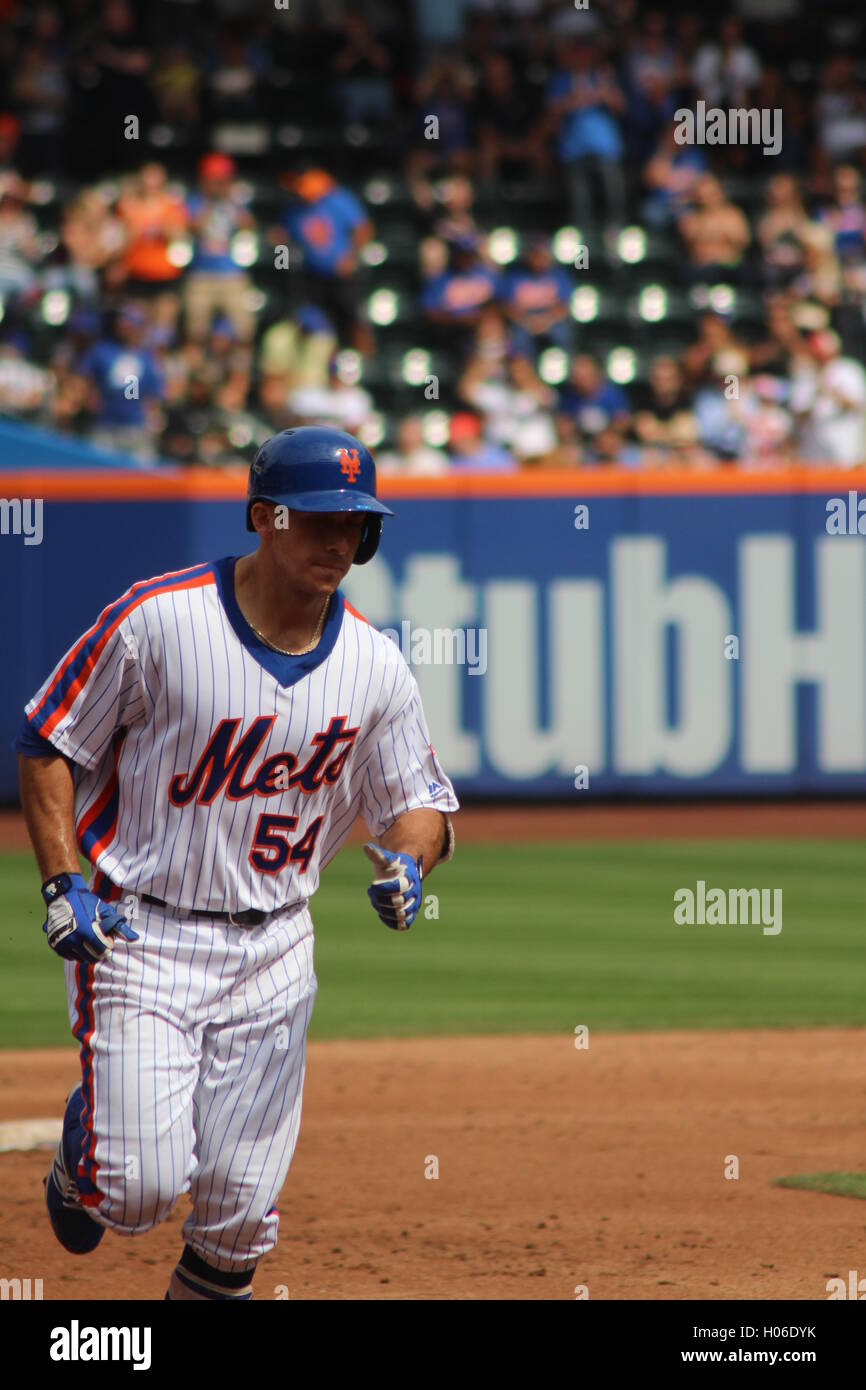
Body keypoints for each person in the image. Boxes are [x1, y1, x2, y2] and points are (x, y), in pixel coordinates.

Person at [17, 426, 459, 1302]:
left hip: (277, 952)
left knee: (238, 1222)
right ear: (265, 516)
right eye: (322, 520)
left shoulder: (373, 665)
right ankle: (82, 1157)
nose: (342, 542)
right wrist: (64, 882)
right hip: (140, 933)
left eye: (359, 526)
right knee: (135, 1193)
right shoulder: (160, 620)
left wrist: (411, 862)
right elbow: (48, 738)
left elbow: (424, 805)